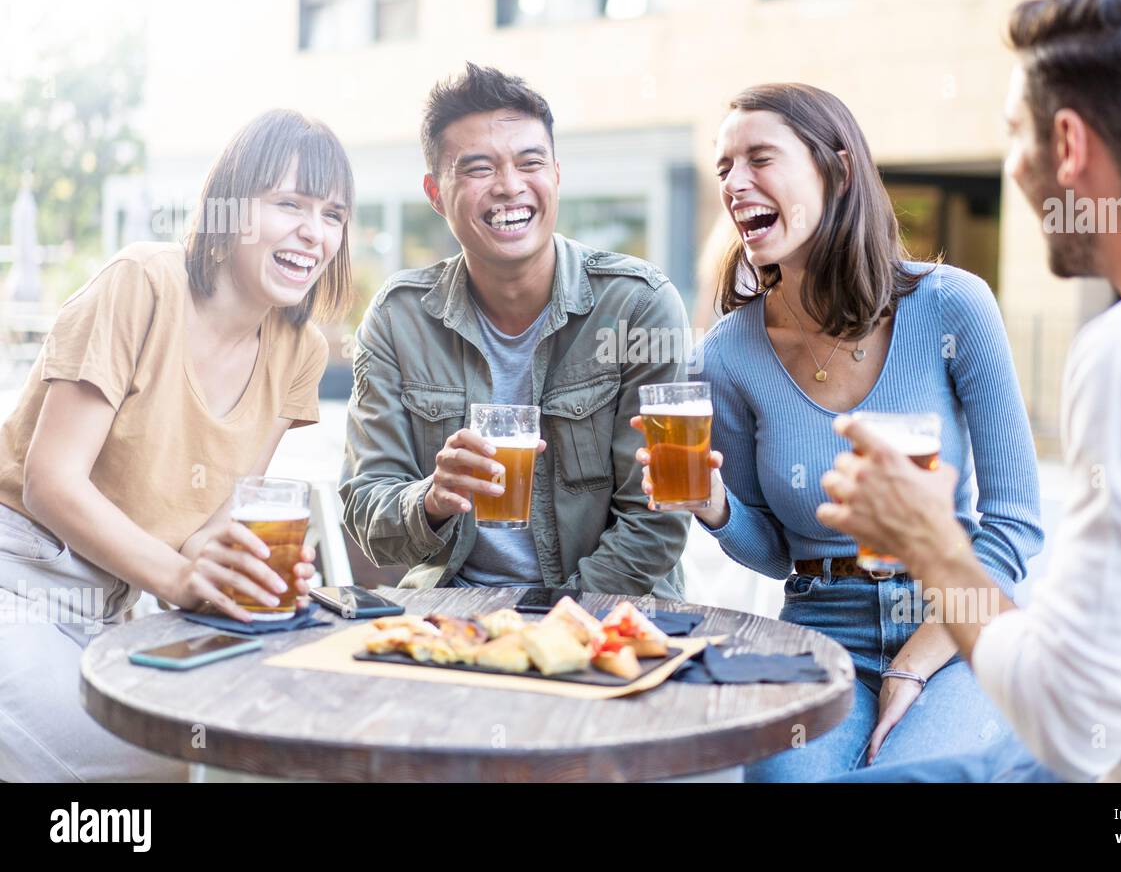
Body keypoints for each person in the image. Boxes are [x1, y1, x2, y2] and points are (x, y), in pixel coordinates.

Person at [818, 0, 1121, 782]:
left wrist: (932, 544)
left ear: (1068, 145)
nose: (1012, 166)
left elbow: (1079, 729)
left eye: (1015, 134)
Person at [635, 82, 1046, 781]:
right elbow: (775, 551)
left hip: (954, 627)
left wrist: (913, 667)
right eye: (723, 167)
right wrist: (716, 509)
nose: (735, 184)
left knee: (923, 775)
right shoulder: (729, 354)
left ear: (838, 170)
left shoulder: (953, 307)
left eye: (759, 158)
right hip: (818, 633)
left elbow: (1014, 526)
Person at [0, 109, 353, 781]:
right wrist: (184, 580)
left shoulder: (298, 349)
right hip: (15, 581)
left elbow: (213, 525)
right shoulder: (141, 284)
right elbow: (52, 482)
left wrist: (240, 570)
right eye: (289, 204)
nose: (314, 232)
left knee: (260, 731)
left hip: (115, 607)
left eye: (333, 213)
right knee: (174, 766)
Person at [340, 64, 690, 597]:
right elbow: (369, 517)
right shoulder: (398, 317)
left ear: (555, 175)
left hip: (607, 612)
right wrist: (432, 499)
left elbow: (659, 518)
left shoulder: (637, 304)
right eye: (478, 169)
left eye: (530, 163)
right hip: (450, 612)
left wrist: (547, 624)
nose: (509, 187)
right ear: (436, 194)